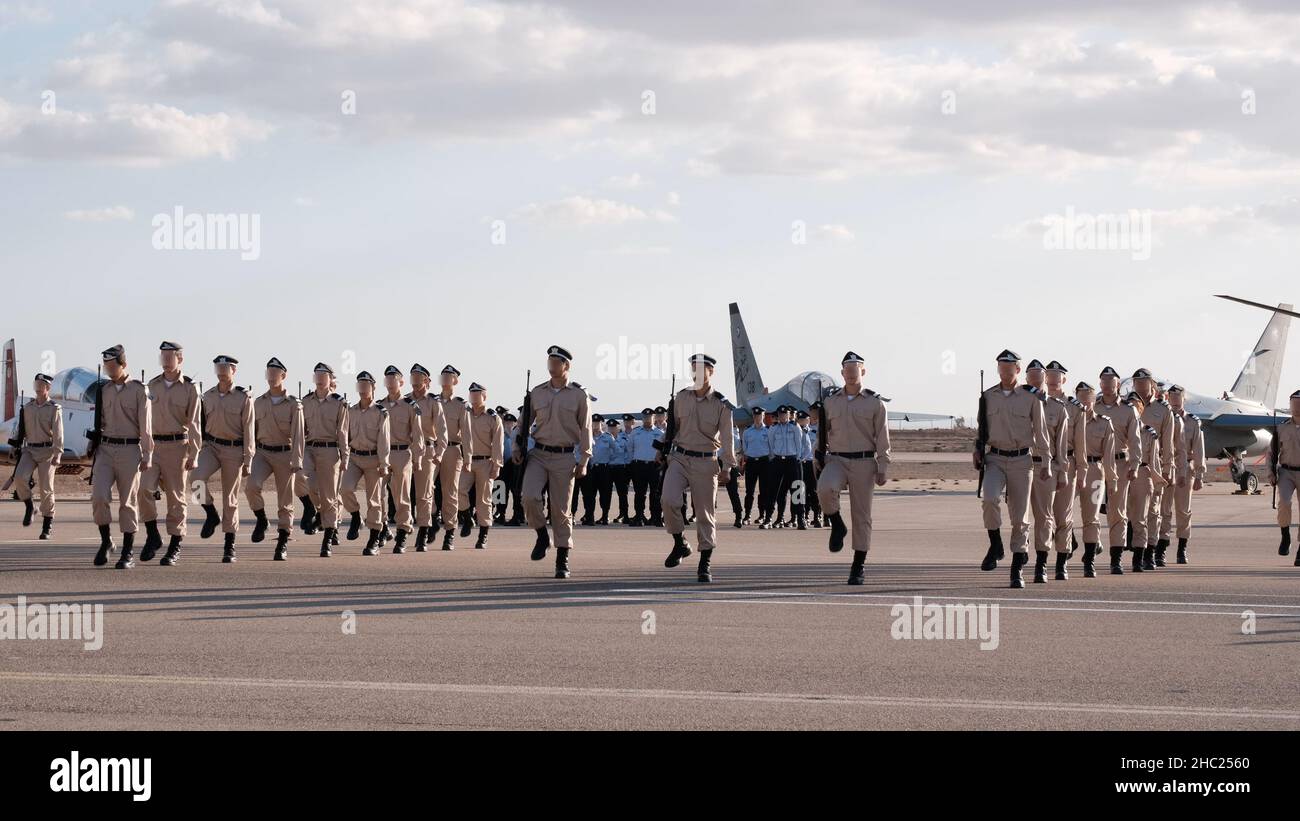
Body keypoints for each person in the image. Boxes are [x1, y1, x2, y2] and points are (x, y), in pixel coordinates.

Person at [974, 350, 1051, 588]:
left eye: (1010, 368)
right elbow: (981, 429)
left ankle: (1017, 568)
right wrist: (977, 450)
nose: (1005, 372)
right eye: (1001, 368)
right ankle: (995, 544)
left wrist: (1046, 462)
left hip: (1021, 460)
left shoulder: (1031, 397)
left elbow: (1041, 431)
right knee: (989, 498)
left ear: (1018, 370)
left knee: (1020, 518)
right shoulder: (987, 396)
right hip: (994, 458)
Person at [515, 345, 592, 579]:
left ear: (566, 366)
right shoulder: (536, 393)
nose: (552, 366)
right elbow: (523, 424)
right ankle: (541, 535)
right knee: (528, 496)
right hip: (538, 454)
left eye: (556, 362)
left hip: (565, 456)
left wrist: (584, 459)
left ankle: (562, 558)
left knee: (560, 510)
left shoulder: (579, 395)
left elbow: (586, 429)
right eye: (550, 361)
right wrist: (517, 447)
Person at [660, 353, 736, 583]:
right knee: (668, 500)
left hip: (706, 461)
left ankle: (705, 562)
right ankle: (680, 542)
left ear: (711, 373)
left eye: (702, 370)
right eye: (694, 369)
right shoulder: (681, 398)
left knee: (704, 514)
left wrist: (728, 466)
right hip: (680, 458)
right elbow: (672, 429)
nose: (698, 374)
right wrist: (661, 451)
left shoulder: (722, 404)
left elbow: (728, 438)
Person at [816, 352, 891, 585]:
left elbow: (882, 437)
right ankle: (837, 524)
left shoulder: (874, 403)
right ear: (841, 374)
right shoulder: (830, 402)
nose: (850, 374)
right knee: (824, 489)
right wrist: (817, 457)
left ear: (863, 372)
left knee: (862, 516)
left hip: (864, 462)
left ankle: (858, 566)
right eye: (847, 370)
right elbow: (822, 433)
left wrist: (883, 466)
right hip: (836, 460)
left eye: (855, 369)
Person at [90, 345, 155, 569]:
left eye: (112, 365)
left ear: (123, 364)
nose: (109, 368)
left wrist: (148, 454)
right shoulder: (103, 390)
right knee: (99, 497)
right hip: (105, 449)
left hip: (130, 450)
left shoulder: (138, 390)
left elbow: (146, 427)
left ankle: (128, 552)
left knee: (128, 502)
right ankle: (106, 540)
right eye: (106, 365)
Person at [138, 341, 200, 565]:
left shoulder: (190, 388)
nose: (165, 360)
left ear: (179, 359)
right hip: (154, 447)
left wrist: (194, 452)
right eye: (162, 356)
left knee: (176, 497)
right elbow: (143, 420)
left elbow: (194, 423)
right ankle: (153, 535)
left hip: (178, 447)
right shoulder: (151, 386)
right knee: (144, 489)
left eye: (169, 356)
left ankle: (175, 545)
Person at [194, 354, 254, 563]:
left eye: (225, 367)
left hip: (234, 450)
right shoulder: (208, 396)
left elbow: (249, 430)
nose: (221, 371)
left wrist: (248, 459)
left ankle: (230, 544)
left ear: (233, 370)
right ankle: (211, 513)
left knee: (230, 498)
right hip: (211, 446)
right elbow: (200, 425)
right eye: (218, 367)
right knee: (195, 479)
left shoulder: (243, 397)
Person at [246, 357, 305, 560]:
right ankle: (261, 519)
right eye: (268, 373)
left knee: (285, 501)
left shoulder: (293, 404)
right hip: (262, 452)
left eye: (275, 373)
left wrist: (297, 460)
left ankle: (282, 542)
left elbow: (298, 434)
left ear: (283, 376)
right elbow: (251, 431)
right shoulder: (258, 402)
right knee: (251, 486)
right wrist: (248, 455)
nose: (271, 376)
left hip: (285, 453)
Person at [1024, 359, 1070, 583]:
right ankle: (1020, 554)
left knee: (1044, 516)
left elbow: (1061, 447)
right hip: (1021, 464)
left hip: (1046, 466)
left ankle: (1041, 564)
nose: (1035, 379)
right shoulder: (1019, 401)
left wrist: (1061, 472)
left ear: (1044, 378)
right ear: (1026, 379)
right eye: (1031, 376)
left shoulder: (1058, 408)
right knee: (1020, 516)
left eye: (1039, 376)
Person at [1093, 366, 1141, 575]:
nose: (1107, 386)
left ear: (1118, 385)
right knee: (1092, 509)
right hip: (1095, 466)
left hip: (1120, 467)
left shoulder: (1128, 410)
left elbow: (1136, 440)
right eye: (1103, 382)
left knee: (1117, 513)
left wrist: (1135, 465)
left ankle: (1116, 558)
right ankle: (1092, 545)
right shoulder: (1093, 408)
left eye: (1111, 383)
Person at [1132, 369, 1178, 569]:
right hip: (1131, 466)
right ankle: (1136, 549)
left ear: (1152, 384)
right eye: (1137, 383)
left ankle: (1150, 552)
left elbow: (1168, 442)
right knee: (1132, 513)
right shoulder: (1128, 406)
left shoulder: (1163, 410)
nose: (1141, 386)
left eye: (1144, 382)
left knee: (1153, 511)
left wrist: (1168, 469)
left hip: (1154, 466)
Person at [341, 371, 391, 554]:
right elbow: (345, 436)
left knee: (374, 501)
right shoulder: (351, 411)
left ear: (373, 388)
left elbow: (384, 440)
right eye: (360, 385)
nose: (362, 388)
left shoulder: (380, 412)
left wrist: (384, 463)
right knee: (345, 488)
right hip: (354, 457)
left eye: (366, 385)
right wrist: (343, 457)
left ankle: (374, 539)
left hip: (373, 460)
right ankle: (355, 516)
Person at [302, 363, 349, 556]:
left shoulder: (340, 403)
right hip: (310, 449)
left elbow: (343, 432)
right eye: (317, 374)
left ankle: (328, 537)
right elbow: (300, 429)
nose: (320, 378)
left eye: (324, 375)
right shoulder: (305, 402)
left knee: (330, 496)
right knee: (308, 486)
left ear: (331, 379)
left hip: (330, 451)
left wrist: (345, 456)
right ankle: (322, 515)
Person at [10, 373, 63, 541]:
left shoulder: (54, 408)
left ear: (48, 388)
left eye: (41, 384)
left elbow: (59, 434)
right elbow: (20, 428)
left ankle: (47, 525)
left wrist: (58, 454)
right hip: (29, 450)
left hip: (47, 452)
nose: (38, 387)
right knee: (19, 477)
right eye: (36, 384)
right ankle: (30, 506)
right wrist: (14, 445)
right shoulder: (28, 407)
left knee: (46, 489)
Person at [378, 365, 424, 554]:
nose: (390, 382)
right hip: (382, 455)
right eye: (387, 379)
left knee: (401, 496)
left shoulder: (410, 406)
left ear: (401, 382)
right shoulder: (379, 405)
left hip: (402, 453)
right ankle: (382, 527)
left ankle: (403, 532)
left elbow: (418, 434)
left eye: (394, 378)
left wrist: (418, 457)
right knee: (377, 495)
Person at [1073, 382, 1116, 578]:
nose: (1084, 405)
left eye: (1087, 400)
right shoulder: (1069, 420)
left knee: (1091, 517)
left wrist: (1111, 480)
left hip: (1095, 471)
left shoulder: (1104, 423)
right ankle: (1069, 542)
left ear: (1093, 401)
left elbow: (1108, 456)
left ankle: (1089, 560)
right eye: (1080, 400)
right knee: (1060, 514)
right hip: (1071, 470)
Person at [406, 363, 447, 550]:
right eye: (412, 376)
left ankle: (423, 531)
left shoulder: (433, 402)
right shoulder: (405, 401)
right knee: (402, 493)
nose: (414, 380)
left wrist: (439, 452)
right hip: (406, 452)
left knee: (424, 494)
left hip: (428, 452)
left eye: (418, 377)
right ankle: (409, 526)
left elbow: (442, 431)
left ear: (426, 381)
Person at [1125, 391, 1166, 572]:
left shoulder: (1149, 434)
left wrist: (1157, 484)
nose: (1133, 409)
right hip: (1123, 474)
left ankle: (1142, 557)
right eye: (1129, 406)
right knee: (1123, 516)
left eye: (1136, 406)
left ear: (1141, 410)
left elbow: (1155, 461)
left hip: (1143, 473)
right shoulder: (1119, 431)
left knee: (1144, 518)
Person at [461, 382, 504, 548]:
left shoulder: (493, 417)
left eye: (477, 394)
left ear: (484, 397)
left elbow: (498, 443)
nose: (474, 397)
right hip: (468, 461)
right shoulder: (465, 414)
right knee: (458, 491)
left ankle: (483, 535)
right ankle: (467, 518)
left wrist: (497, 464)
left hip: (486, 462)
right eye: (472, 394)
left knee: (484, 500)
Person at [1166, 385, 1205, 564]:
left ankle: (1182, 548)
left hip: (1185, 469)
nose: (1174, 400)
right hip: (1165, 467)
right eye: (1171, 397)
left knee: (1183, 510)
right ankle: (1160, 549)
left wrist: (1199, 475)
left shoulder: (1192, 421)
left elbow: (1198, 449)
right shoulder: (1163, 418)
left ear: (1184, 399)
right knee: (1162, 510)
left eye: (1177, 397)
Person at [436, 365, 473, 550]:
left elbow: (466, 434)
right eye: (443, 376)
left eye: (449, 376)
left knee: (450, 492)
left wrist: (468, 459)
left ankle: (450, 531)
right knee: (427, 490)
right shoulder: (433, 402)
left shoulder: (461, 405)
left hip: (452, 450)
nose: (445, 379)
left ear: (455, 381)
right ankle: (431, 523)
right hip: (433, 450)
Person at [1270, 389, 1300, 563]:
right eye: (1294, 403)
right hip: (1286, 472)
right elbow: (1272, 453)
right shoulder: (1281, 427)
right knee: (1285, 503)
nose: (1297, 407)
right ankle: (1285, 535)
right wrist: (1271, 473)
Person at [765, 406, 802, 528]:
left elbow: (799, 444)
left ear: (788, 415)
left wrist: (797, 459)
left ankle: (800, 519)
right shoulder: (773, 428)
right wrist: (773, 458)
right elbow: (770, 445)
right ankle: (768, 518)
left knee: (797, 490)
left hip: (792, 460)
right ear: (778, 416)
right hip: (778, 461)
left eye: (785, 414)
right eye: (780, 415)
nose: (782, 417)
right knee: (773, 490)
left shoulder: (794, 427)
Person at [628, 409, 661, 526]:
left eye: (650, 417)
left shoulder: (659, 433)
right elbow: (630, 449)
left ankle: (655, 516)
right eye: (645, 417)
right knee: (639, 493)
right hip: (639, 465)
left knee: (655, 493)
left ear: (654, 418)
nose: (647, 419)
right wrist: (632, 463)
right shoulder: (635, 432)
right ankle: (639, 516)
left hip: (654, 466)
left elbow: (662, 451)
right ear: (642, 419)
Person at [740, 406, 769, 525]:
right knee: (749, 491)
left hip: (764, 462)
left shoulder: (768, 431)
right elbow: (745, 448)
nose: (758, 418)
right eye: (755, 416)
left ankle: (762, 515)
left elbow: (771, 447)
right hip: (751, 462)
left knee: (763, 491)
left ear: (763, 416)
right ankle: (747, 515)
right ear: (753, 417)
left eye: (760, 416)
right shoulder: (747, 432)